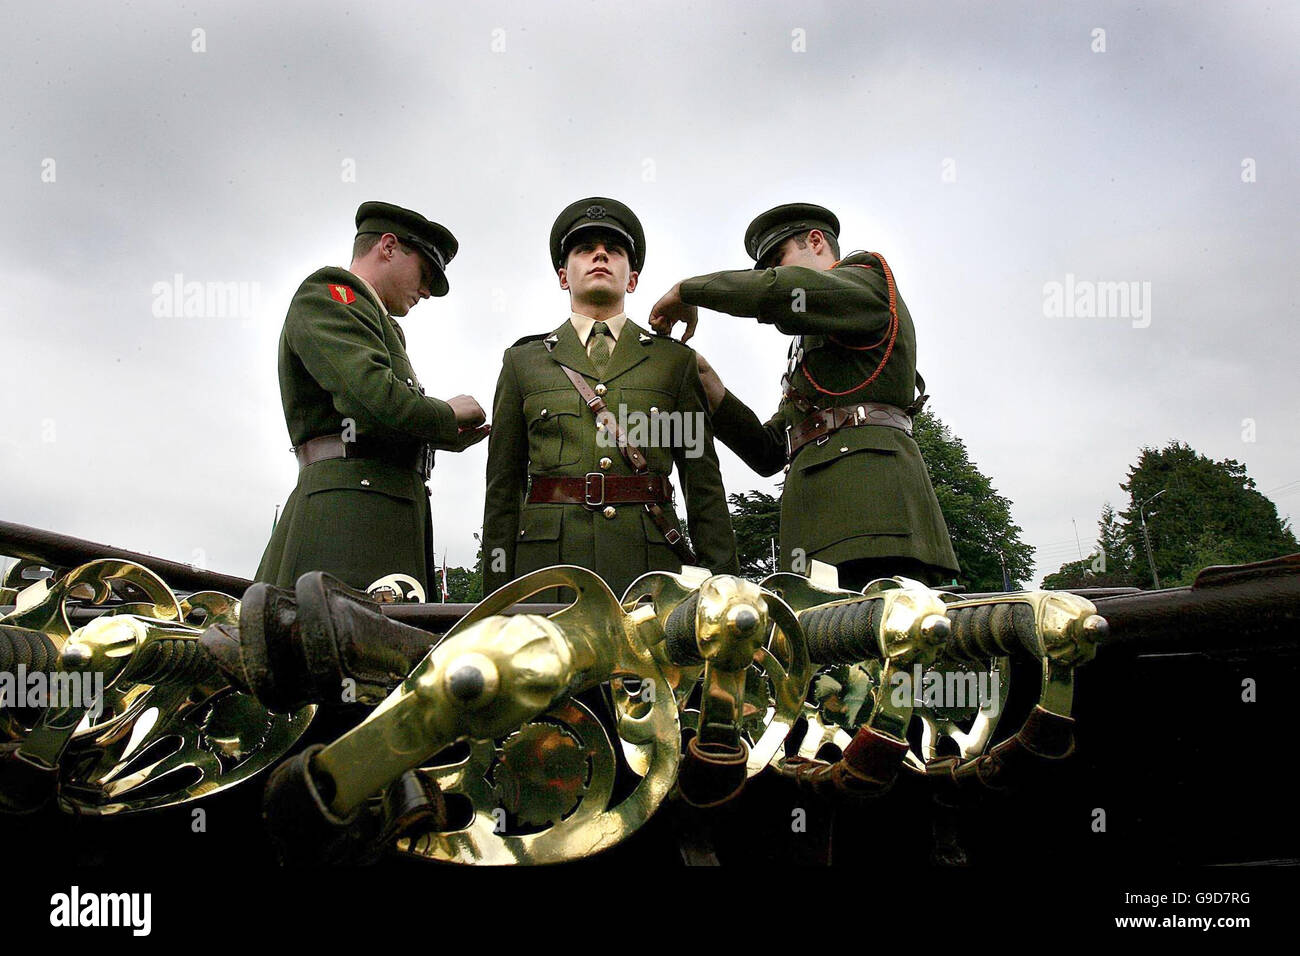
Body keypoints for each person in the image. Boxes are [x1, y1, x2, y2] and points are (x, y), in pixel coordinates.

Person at [650, 202, 958, 591]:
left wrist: (687, 290)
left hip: (879, 524)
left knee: (891, 639)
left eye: (779, 261)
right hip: (815, 544)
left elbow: (778, 290)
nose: (774, 275)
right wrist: (709, 382)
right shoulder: (812, 347)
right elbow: (769, 452)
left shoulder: (868, 282)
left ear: (815, 242)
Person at [482, 197, 738, 601]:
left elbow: (702, 484)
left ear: (631, 280)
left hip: (651, 567)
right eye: (585, 249)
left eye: (614, 251)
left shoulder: (674, 362)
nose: (600, 254)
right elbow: (502, 490)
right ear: (564, 276)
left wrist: (725, 587)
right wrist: (495, 600)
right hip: (548, 571)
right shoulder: (522, 362)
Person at [255, 201, 489, 598]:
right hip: (345, 521)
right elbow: (372, 402)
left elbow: (385, 412)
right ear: (388, 246)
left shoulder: (379, 322)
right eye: (426, 273)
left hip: (380, 514)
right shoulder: (330, 296)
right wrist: (447, 414)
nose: (428, 292)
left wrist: (445, 433)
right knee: (330, 648)